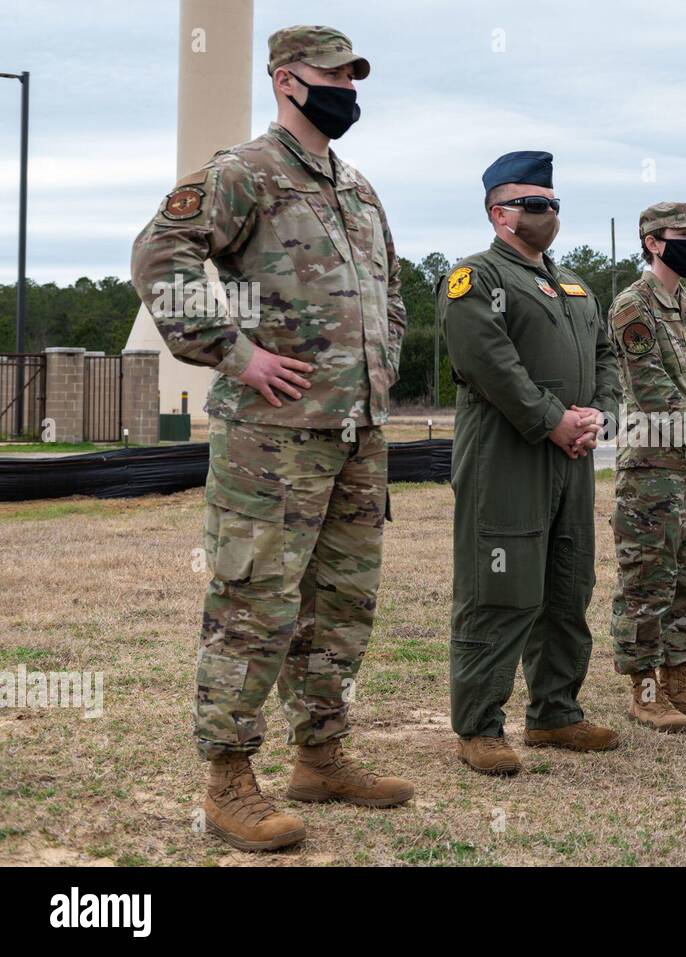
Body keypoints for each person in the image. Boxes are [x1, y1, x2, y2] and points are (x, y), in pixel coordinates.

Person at [130, 25, 412, 852]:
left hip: (356, 432)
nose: (349, 89)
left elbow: (389, 291)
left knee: (342, 606)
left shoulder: (357, 187)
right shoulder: (242, 172)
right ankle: (227, 779)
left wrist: (384, 362)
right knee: (255, 604)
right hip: (273, 439)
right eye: (334, 75)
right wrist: (236, 352)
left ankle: (321, 754)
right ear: (288, 80)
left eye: (355, 76)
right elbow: (158, 254)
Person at [440, 150, 622, 776]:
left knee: (568, 584)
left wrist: (599, 414)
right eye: (532, 204)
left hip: (571, 459)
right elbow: (488, 361)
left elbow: (606, 356)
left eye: (552, 204)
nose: (546, 214)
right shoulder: (477, 278)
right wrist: (553, 421)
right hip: (507, 454)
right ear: (498, 213)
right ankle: (480, 726)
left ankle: (555, 713)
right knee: (501, 586)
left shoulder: (573, 286)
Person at [608, 202, 686, 732]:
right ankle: (645, 691)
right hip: (655, 465)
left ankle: (680, 683)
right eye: (683, 235)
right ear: (653, 241)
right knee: (648, 577)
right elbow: (650, 386)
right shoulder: (631, 306)